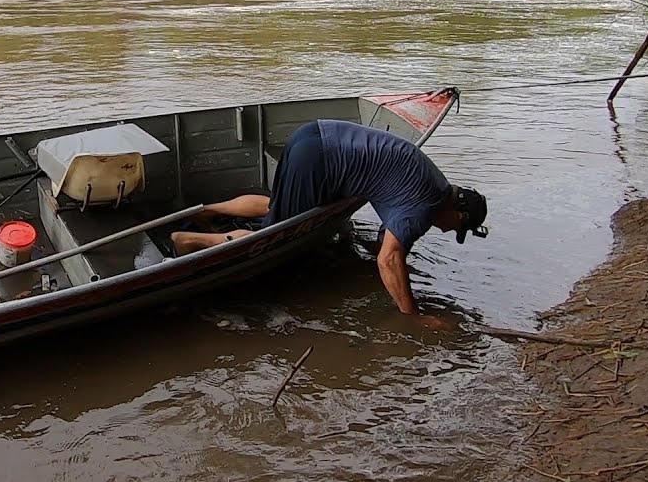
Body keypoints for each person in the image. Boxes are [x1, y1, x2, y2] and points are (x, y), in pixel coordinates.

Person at [170, 119, 488, 328]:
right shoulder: (426, 203)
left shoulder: (433, 180)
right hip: (320, 160)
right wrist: (413, 317)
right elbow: (389, 258)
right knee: (271, 231)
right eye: (455, 228)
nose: (447, 230)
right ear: (459, 214)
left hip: (313, 135)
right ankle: (189, 240)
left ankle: (207, 211)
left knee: (276, 204)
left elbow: (387, 233)